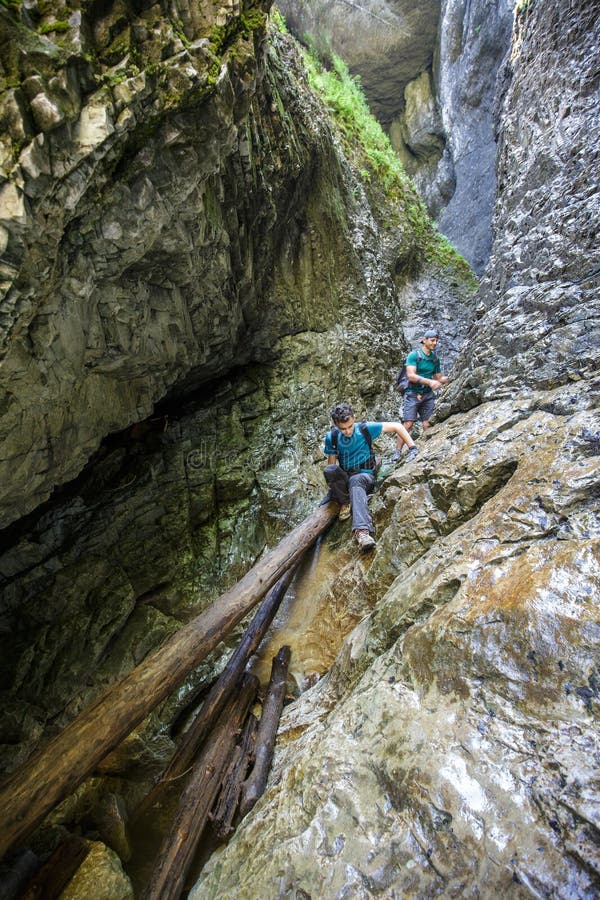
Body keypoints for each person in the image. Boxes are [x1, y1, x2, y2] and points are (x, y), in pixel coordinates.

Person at [322, 402, 419, 551]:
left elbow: (398, 427)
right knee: (329, 471)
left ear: (354, 418)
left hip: (365, 475)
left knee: (355, 480)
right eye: (343, 429)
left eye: (349, 426)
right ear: (336, 424)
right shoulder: (332, 437)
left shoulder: (364, 428)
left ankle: (362, 533)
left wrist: (412, 447)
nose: (347, 431)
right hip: (346, 477)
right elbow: (332, 466)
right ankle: (345, 501)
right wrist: (335, 489)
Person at [403, 329, 449, 432]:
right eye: (432, 340)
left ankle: (426, 447)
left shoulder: (435, 359)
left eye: (436, 341)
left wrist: (451, 378)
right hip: (412, 393)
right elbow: (411, 376)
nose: (435, 343)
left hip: (428, 395)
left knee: (428, 424)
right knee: (408, 424)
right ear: (424, 340)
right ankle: (398, 449)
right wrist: (430, 382)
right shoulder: (414, 355)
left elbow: (439, 378)